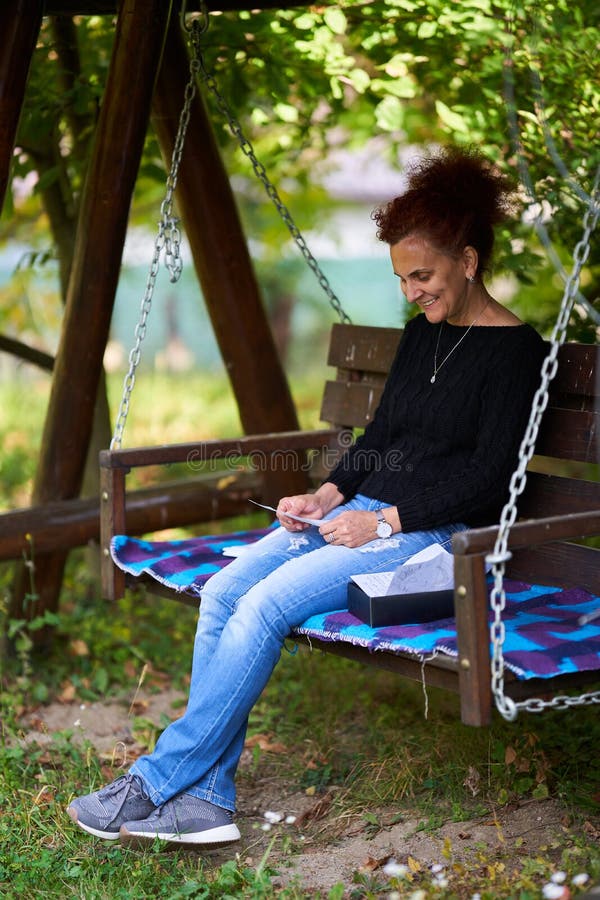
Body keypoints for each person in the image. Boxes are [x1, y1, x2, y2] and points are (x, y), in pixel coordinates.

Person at [67, 147, 546, 847]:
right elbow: (383, 433)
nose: (413, 291)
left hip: (436, 537)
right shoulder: (423, 338)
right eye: (402, 278)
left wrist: (381, 522)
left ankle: (156, 780)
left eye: (425, 275)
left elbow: (493, 479)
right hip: (364, 516)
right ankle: (205, 796)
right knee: (225, 589)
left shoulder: (516, 353)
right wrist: (324, 496)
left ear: (468, 262)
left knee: (264, 606)